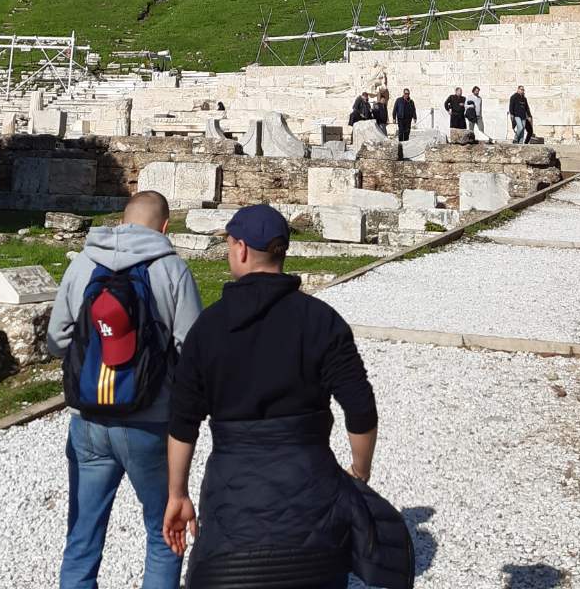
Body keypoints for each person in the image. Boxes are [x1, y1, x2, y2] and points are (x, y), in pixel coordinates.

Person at [163, 205, 412, 589]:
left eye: (229, 244)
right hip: (312, 503)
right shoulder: (322, 321)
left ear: (242, 249)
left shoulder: (207, 328)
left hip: (234, 506)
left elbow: (183, 423)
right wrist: (360, 472)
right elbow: (360, 409)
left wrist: (177, 494)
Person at [48, 189, 203, 589]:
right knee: (162, 532)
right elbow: (193, 350)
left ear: (121, 220)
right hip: (149, 420)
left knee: (82, 535)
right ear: (165, 227)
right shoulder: (172, 269)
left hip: (87, 416)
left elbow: (56, 338)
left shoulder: (84, 262)